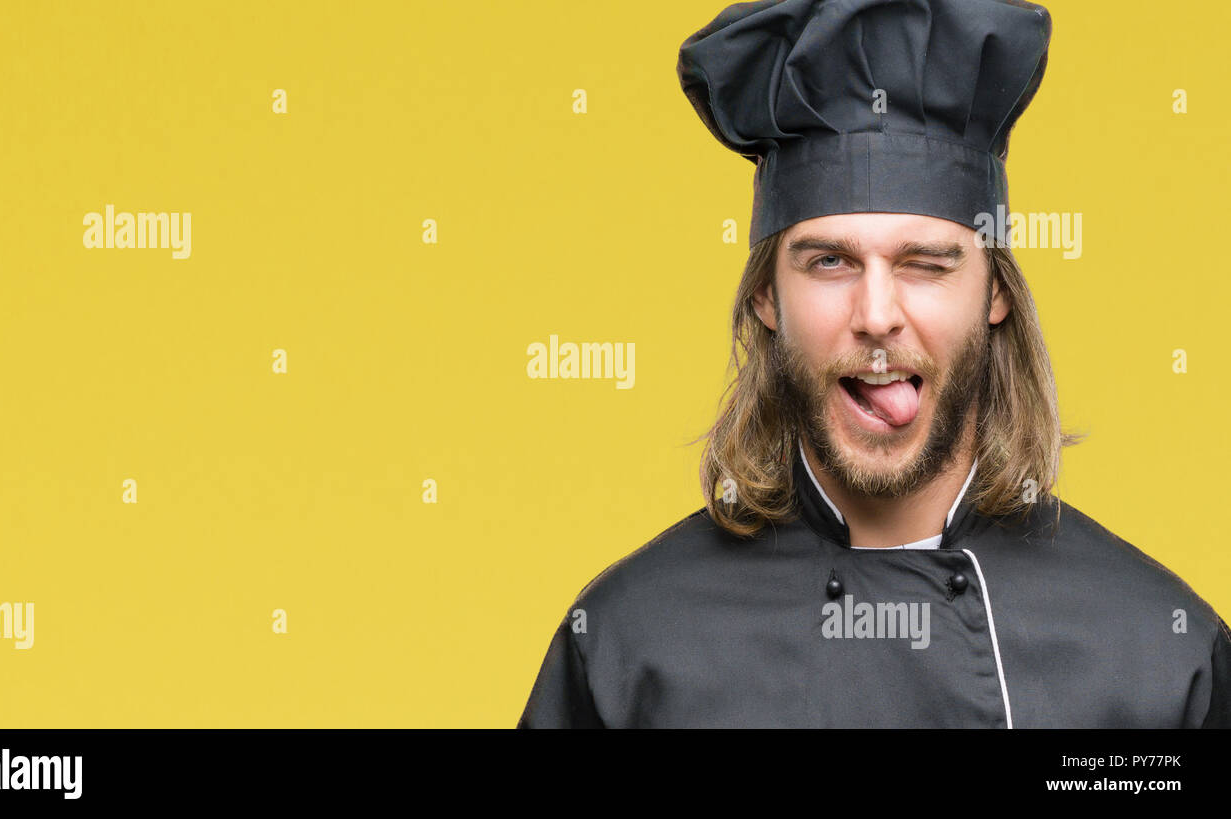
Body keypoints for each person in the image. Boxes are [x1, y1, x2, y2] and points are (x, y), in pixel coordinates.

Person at [517, 0, 1231, 728]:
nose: (877, 313)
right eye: (830, 261)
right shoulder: (629, 649)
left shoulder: (1158, 656)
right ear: (767, 296)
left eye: (925, 263)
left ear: (994, 295)